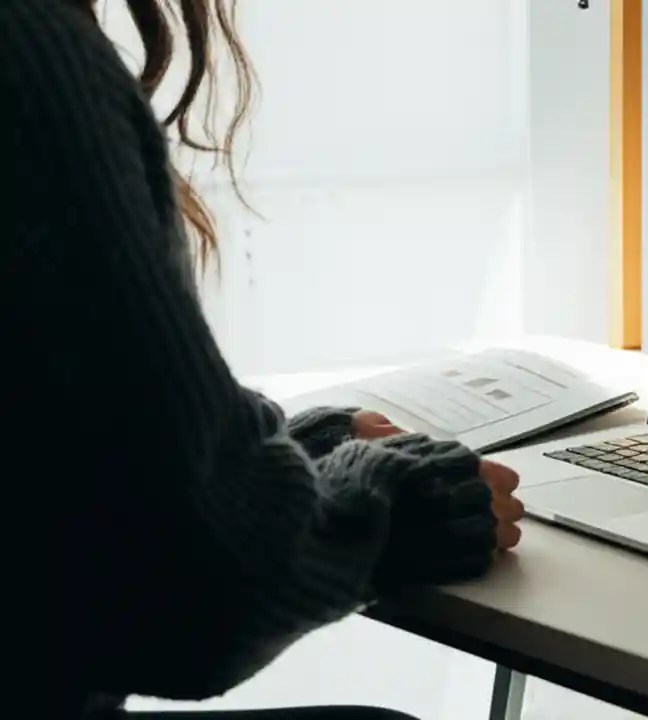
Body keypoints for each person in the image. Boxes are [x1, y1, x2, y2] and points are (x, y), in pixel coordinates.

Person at [0, 0, 524, 718]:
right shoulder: (31, 55)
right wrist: (411, 499)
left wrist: (298, 454)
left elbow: (59, 477)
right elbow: (202, 592)